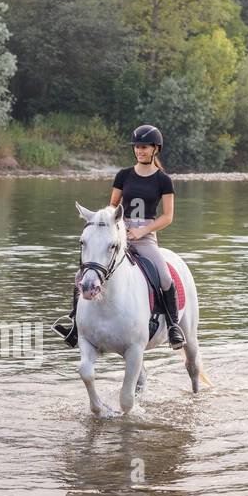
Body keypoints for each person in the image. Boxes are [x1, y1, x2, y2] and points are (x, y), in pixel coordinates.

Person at [53, 123, 184, 349]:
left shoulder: (163, 180)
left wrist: (142, 230)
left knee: (164, 277)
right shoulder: (124, 175)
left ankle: (173, 327)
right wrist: (113, 227)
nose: (140, 150)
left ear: (156, 149)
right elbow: (112, 206)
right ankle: (75, 325)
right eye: (137, 147)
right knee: (81, 276)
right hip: (118, 234)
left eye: (145, 147)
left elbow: (168, 217)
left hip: (145, 237)